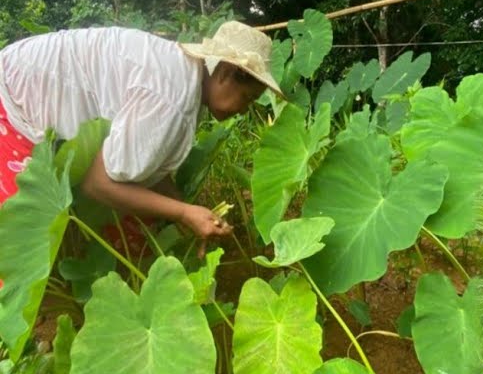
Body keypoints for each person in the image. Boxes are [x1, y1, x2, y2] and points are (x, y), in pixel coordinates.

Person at [0, 20, 283, 240]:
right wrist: (184, 213)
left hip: (24, 85)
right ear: (225, 74)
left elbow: (144, 164)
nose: (245, 110)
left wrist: (182, 209)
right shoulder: (171, 96)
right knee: (16, 237)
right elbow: (97, 182)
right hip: (12, 98)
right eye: (246, 98)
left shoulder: (186, 77)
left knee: (143, 221)